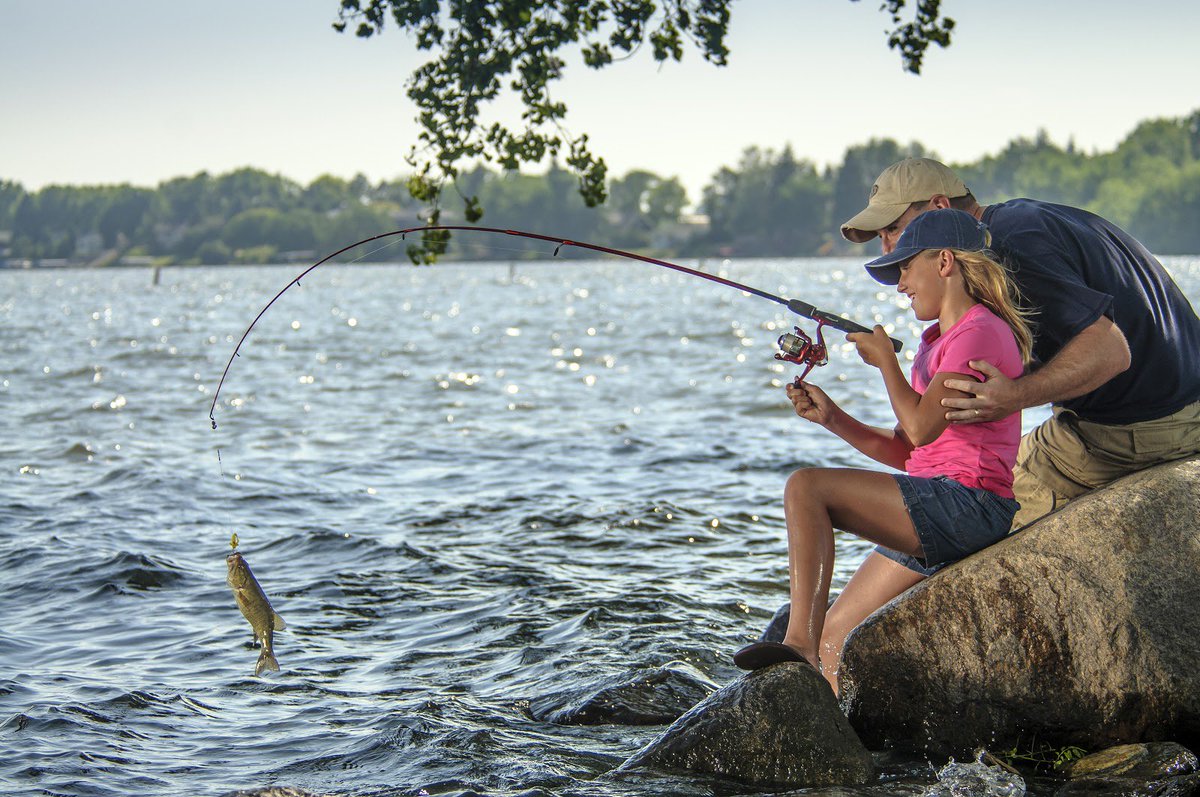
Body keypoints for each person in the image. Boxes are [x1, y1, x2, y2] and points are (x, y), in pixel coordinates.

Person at [733, 209, 1032, 691]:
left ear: (945, 263)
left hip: (969, 505)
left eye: (906, 267)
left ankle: (797, 646)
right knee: (833, 633)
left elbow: (919, 428)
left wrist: (887, 365)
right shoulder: (937, 341)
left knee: (806, 488)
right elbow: (907, 453)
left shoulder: (980, 331)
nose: (900, 284)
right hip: (939, 499)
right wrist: (833, 418)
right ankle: (829, 721)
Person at [842, 157, 1200, 530]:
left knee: (971, 509)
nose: (887, 251)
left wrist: (1014, 396)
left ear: (939, 207)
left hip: (1148, 426)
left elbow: (1110, 350)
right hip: (1180, 403)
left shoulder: (1009, 247)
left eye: (894, 229)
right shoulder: (1016, 222)